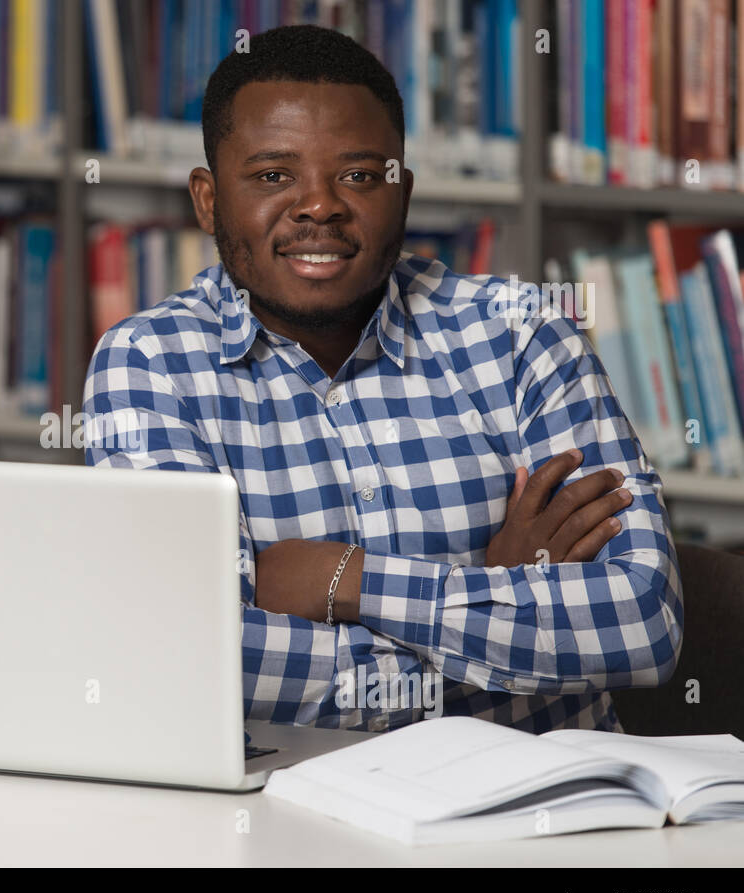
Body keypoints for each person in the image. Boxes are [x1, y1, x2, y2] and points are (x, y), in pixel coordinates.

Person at [82, 24, 682, 734]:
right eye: (275, 175)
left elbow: (644, 622)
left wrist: (343, 580)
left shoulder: (520, 333)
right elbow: (192, 658)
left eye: (359, 175)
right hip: (296, 828)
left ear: (403, 192)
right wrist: (492, 595)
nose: (319, 206)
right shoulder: (150, 364)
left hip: (550, 815)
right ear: (209, 200)